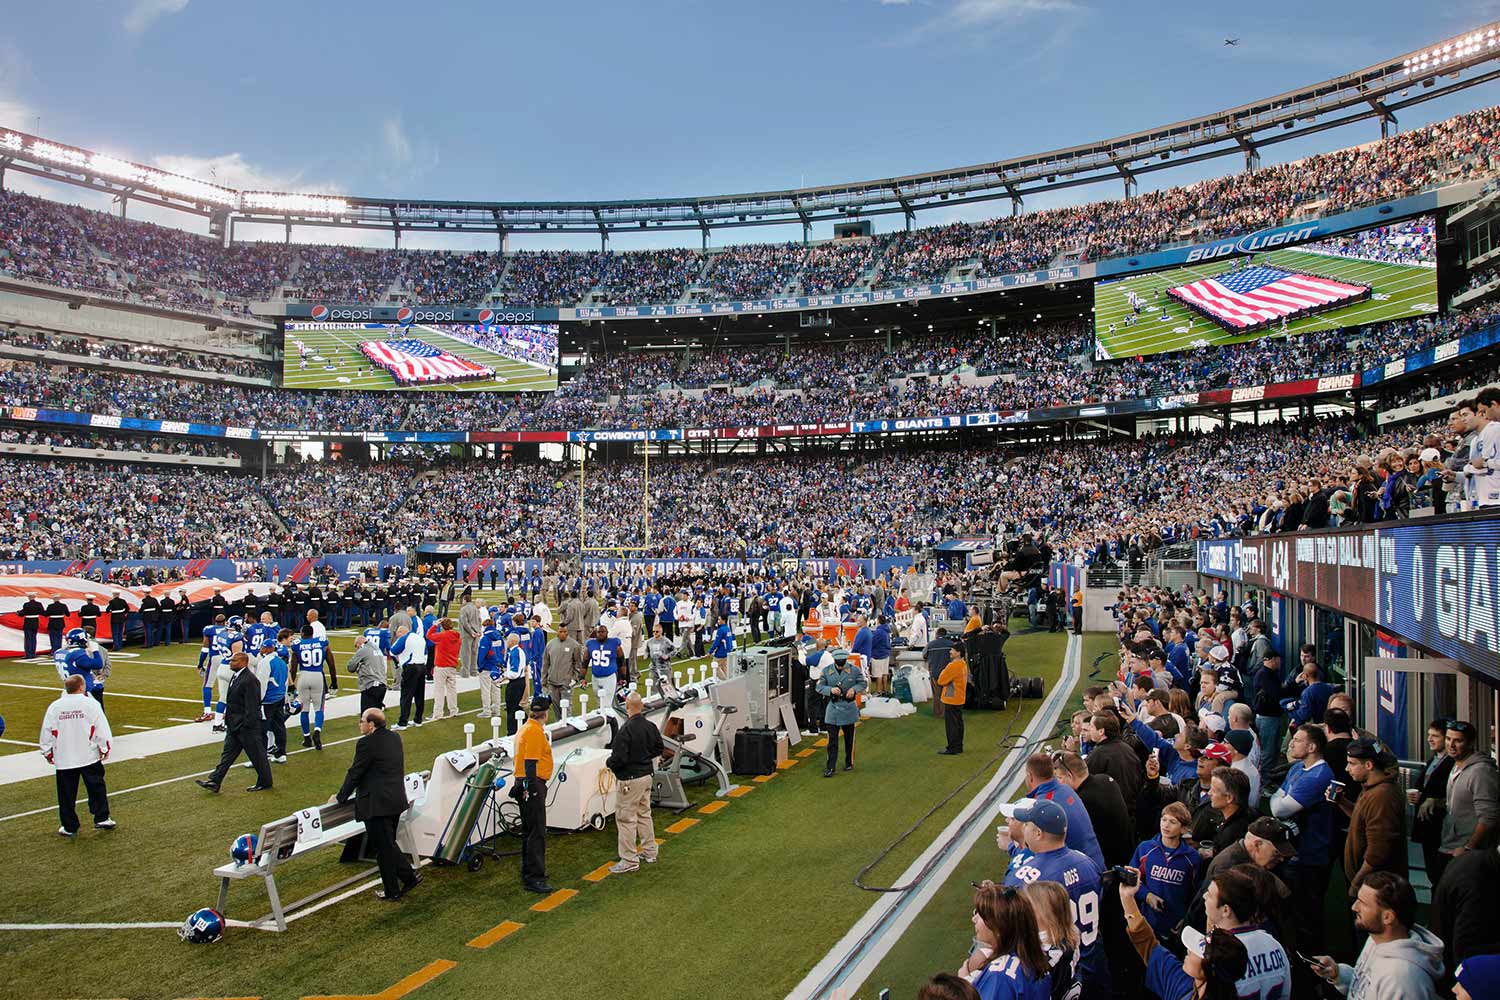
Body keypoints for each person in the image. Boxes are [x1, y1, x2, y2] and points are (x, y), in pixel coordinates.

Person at [1002, 798, 1109, 994]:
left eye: (1027, 824)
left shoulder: (1027, 876)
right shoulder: (1086, 862)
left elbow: (1007, 927)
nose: (1024, 828)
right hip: (1093, 962)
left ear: (1038, 833)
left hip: (1058, 972)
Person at [1309, 872, 1444, 1000]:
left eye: (1363, 903)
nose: (1354, 907)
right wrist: (1337, 973)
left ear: (1387, 917)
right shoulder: (1377, 939)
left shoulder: (1403, 980)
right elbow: (1368, 988)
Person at [332, 708, 420, 902]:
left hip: (376, 804)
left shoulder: (366, 743)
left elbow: (355, 772)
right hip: (395, 799)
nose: (360, 724)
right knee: (386, 846)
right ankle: (397, 886)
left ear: (371, 724)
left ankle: (404, 881)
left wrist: (340, 797)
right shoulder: (394, 737)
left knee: (385, 847)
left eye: (362, 720)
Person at [1118, 874, 1250, 1000]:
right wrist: (1127, 898)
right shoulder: (1182, 981)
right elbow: (1149, 945)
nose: (1188, 950)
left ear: (1210, 971)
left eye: (1197, 950)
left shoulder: (1183, 984)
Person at [40, 674, 115, 837]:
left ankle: (69, 826)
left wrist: (47, 751)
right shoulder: (91, 704)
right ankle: (102, 817)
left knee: (66, 794)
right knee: (96, 787)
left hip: (64, 756)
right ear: (81, 687)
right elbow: (101, 728)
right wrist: (105, 747)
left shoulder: (55, 707)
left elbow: (47, 731)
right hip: (88, 754)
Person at [1201, 868, 1291, 1000]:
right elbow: (1286, 994)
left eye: (1209, 895)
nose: (1204, 896)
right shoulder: (1274, 944)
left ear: (1226, 910)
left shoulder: (1216, 952)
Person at [1335, 737, 1408, 895]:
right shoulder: (1371, 789)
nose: (1347, 769)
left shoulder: (1382, 796)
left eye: (1352, 763)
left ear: (1369, 765)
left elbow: (1378, 853)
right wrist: (1342, 802)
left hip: (1378, 889)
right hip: (1372, 884)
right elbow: (1362, 819)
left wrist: (1357, 884)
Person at [196, 652, 272, 793]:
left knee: (257, 756)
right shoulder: (236, 676)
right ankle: (215, 781)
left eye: (234, 661)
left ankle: (265, 782)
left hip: (245, 727)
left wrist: (247, 725)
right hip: (234, 725)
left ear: (243, 662)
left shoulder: (250, 680)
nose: (231, 663)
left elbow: (252, 706)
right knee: (227, 755)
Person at [960, 884, 1052, 1000]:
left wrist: (963, 986)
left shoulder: (1000, 976)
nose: (974, 919)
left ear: (999, 927)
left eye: (981, 915)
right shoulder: (1033, 955)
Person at [607, 692, 663, 873]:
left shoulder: (626, 730)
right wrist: (644, 758)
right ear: (642, 706)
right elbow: (659, 748)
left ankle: (629, 859)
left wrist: (609, 764)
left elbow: (619, 758)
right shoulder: (650, 726)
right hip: (647, 775)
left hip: (630, 779)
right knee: (644, 813)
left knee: (626, 819)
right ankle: (650, 851)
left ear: (627, 707)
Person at [1131, 801, 1199, 940]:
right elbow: (1131, 879)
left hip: (1176, 926)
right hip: (1148, 922)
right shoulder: (1145, 849)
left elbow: (1197, 892)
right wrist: (1147, 895)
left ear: (1183, 829)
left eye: (1172, 822)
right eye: (1164, 820)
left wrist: (1187, 919)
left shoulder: (1192, 858)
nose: (1166, 825)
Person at [1440, 720, 1499, 872]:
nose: (1451, 745)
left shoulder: (1481, 772)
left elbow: (1489, 817)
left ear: (1470, 743)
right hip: (1451, 846)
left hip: (1470, 854)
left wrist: (1468, 848)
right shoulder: (1456, 765)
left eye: (1458, 740)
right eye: (1448, 739)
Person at [513, 695, 554, 894]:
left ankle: (529, 871)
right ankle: (534, 877)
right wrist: (533, 789)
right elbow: (530, 763)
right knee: (537, 832)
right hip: (532, 784)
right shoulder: (535, 732)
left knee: (530, 831)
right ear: (545, 713)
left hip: (526, 783)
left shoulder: (525, 728)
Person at [1019, 880, 1081, 1000]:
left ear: (1044, 913)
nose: (1022, 909)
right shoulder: (1069, 934)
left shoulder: (1047, 955)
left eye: (1028, 905)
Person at [1411, 718, 1454, 883]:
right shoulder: (1433, 760)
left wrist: (1433, 800)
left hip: (1441, 828)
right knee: (1432, 871)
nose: (1429, 739)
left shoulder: (1451, 763)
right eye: (1429, 735)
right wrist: (1418, 797)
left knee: (1440, 874)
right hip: (1427, 826)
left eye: (1435, 736)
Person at [817, 650, 867, 778]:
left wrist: (854, 689)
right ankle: (830, 767)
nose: (840, 666)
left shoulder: (854, 670)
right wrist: (830, 690)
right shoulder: (827, 671)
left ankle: (849, 762)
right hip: (833, 709)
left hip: (848, 709)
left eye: (842, 663)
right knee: (832, 742)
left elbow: (863, 683)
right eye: (838, 663)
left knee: (849, 739)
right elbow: (819, 687)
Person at [291, 624, 335, 750]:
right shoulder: (322, 642)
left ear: (302, 633)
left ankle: (306, 738)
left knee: (304, 709)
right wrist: (334, 681)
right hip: (318, 676)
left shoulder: (297, 645)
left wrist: (291, 684)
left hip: (303, 676)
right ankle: (317, 731)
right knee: (319, 708)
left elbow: (293, 668)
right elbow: (331, 663)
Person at [391, 623, 426, 730]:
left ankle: (403, 722)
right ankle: (418, 719)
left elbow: (393, 651)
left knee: (406, 695)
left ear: (401, 632)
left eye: (398, 633)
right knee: (420, 695)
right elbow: (425, 652)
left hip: (411, 667)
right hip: (422, 665)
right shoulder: (420, 638)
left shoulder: (405, 638)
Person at [426, 617, 462, 721]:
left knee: (439, 690)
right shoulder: (457, 637)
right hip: (452, 666)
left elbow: (428, 635)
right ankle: (453, 710)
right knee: (452, 690)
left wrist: (435, 625)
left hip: (441, 666)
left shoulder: (442, 636)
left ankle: (438, 713)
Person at [937, 644, 968, 755]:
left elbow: (941, 681)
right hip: (959, 697)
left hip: (951, 698)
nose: (950, 651)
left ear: (958, 653)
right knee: (958, 723)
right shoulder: (963, 664)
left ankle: (953, 747)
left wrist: (944, 670)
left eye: (952, 650)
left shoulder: (953, 666)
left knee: (951, 725)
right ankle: (958, 746)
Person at [585, 624, 624, 711]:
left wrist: (622, 677)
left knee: (606, 705)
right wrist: (582, 677)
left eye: (603, 632)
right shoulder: (591, 644)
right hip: (595, 677)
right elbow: (585, 662)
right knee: (599, 704)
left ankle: (609, 718)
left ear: (607, 632)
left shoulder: (614, 643)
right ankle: (605, 717)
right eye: (599, 632)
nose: (601, 634)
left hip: (609, 677)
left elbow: (621, 662)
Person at [348, 634, 388, 714]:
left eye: (356, 646)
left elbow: (350, 667)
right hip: (382, 684)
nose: (356, 649)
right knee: (376, 715)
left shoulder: (364, 650)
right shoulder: (377, 648)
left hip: (370, 685)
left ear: (359, 644)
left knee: (366, 715)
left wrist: (358, 667)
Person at [926, 628, 956, 718]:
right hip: (948, 672)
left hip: (934, 672)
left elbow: (924, 655)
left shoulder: (930, 644)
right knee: (948, 694)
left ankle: (938, 713)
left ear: (937, 634)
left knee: (937, 694)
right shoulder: (951, 644)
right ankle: (948, 713)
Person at [20, 591, 43, 659]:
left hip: (28, 622)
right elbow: (42, 612)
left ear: (29, 597)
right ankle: (33, 653)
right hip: (35, 622)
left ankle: (28, 654)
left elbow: (22, 613)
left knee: (28, 639)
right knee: (33, 638)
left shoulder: (26, 604)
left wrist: (18, 613)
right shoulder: (39, 604)